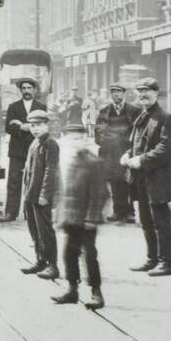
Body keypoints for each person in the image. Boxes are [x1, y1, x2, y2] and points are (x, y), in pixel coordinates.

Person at [122, 78, 171, 277]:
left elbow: (166, 148)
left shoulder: (167, 117)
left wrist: (141, 159)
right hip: (140, 176)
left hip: (159, 177)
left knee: (161, 221)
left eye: (147, 91)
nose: (143, 95)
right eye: (139, 91)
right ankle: (152, 259)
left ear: (157, 93)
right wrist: (127, 154)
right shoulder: (142, 116)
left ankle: (167, 262)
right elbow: (137, 142)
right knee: (146, 220)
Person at [50, 123, 106, 310]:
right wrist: (59, 216)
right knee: (69, 255)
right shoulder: (67, 161)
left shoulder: (93, 162)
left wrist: (92, 217)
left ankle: (96, 293)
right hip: (70, 217)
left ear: (84, 139)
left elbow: (100, 193)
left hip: (86, 220)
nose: (74, 142)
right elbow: (63, 191)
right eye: (70, 138)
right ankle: (72, 290)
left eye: (77, 138)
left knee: (90, 255)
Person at [19, 109, 60, 280]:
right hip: (30, 193)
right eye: (32, 126)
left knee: (45, 231)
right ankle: (40, 261)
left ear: (46, 125)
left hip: (41, 195)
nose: (35, 129)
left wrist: (44, 194)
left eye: (39, 125)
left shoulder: (50, 144)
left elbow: (51, 171)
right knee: (34, 230)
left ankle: (53, 266)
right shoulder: (35, 143)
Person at [94, 83, 139, 223]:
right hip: (110, 152)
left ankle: (130, 212)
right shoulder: (104, 111)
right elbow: (98, 132)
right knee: (114, 181)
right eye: (113, 92)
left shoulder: (134, 111)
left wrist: (131, 147)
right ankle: (117, 211)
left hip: (128, 151)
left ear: (124, 94)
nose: (116, 95)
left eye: (119, 92)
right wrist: (106, 141)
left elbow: (137, 132)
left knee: (129, 181)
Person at [2, 78, 43, 222]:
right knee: (14, 181)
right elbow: (7, 127)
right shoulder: (13, 107)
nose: (26, 91)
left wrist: (28, 126)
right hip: (17, 151)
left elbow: (44, 127)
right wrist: (20, 127)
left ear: (34, 90)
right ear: (20, 90)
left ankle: (31, 213)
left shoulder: (41, 107)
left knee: (35, 181)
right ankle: (11, 213)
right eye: (24, 88)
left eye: (29, 88)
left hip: (36, 150)